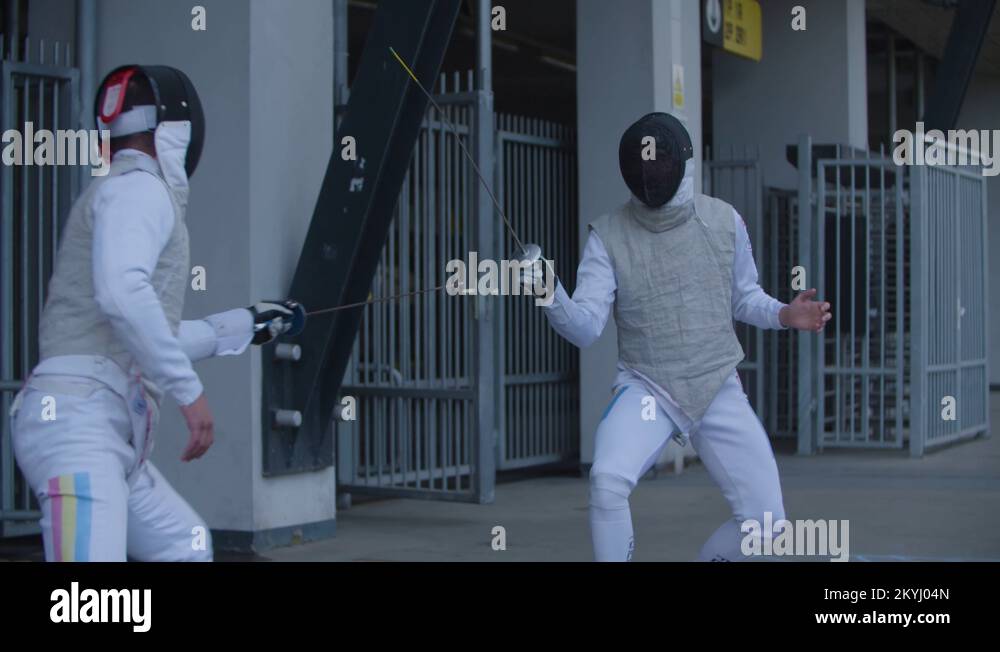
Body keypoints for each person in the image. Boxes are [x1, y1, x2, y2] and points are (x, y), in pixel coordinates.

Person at [9, 65, 299, 562]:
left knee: (183, 544)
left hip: (110, 434)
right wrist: (190, 393)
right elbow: (122, 293)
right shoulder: (138, 188)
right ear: (176, 130)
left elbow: (140, 333)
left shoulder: (124, 189)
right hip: (78, 429)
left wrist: (240, 326)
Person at [525, 112, 831, 561]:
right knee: (607, 481)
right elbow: (586, 326)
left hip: (715, 383)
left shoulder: (723, 221)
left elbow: (744, 298)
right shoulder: (608, 236)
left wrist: (785, 313)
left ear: (683, 162)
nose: (652, 176)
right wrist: (548, 292)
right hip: (647, 386)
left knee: (766, 523)